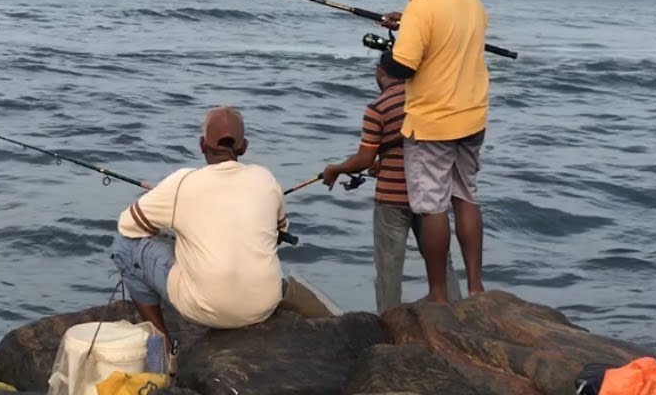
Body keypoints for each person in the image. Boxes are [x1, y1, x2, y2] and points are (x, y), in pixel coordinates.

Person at [110, 106, 303, 335]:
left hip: (208, 310)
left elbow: (128, 225)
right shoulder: (266, 178)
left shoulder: (182, 182)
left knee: (124, 247)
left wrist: (166, 199)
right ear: (244, 146)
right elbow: (278, 234)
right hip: (263, 305)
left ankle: (160, 342)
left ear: (202, 145)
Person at [376, 0, 490, 304]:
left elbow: (402, 66)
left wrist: (397, 41)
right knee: (466, 197)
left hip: (433, 124)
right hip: (472, 118)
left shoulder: (421, 10)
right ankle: (475, 288)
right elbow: (449, 35)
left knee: (432, 207)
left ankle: (438, 294)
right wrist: (407, 22)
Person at [320, 54, 461, 314]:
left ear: (379, 71)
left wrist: (335, 169)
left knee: (389, 268)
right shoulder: (427, 100)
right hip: (430, 194)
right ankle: (457, 312)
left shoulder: (378, 106)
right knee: (441, 261)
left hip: (391, 199)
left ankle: (389, 322)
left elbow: (363, 159)